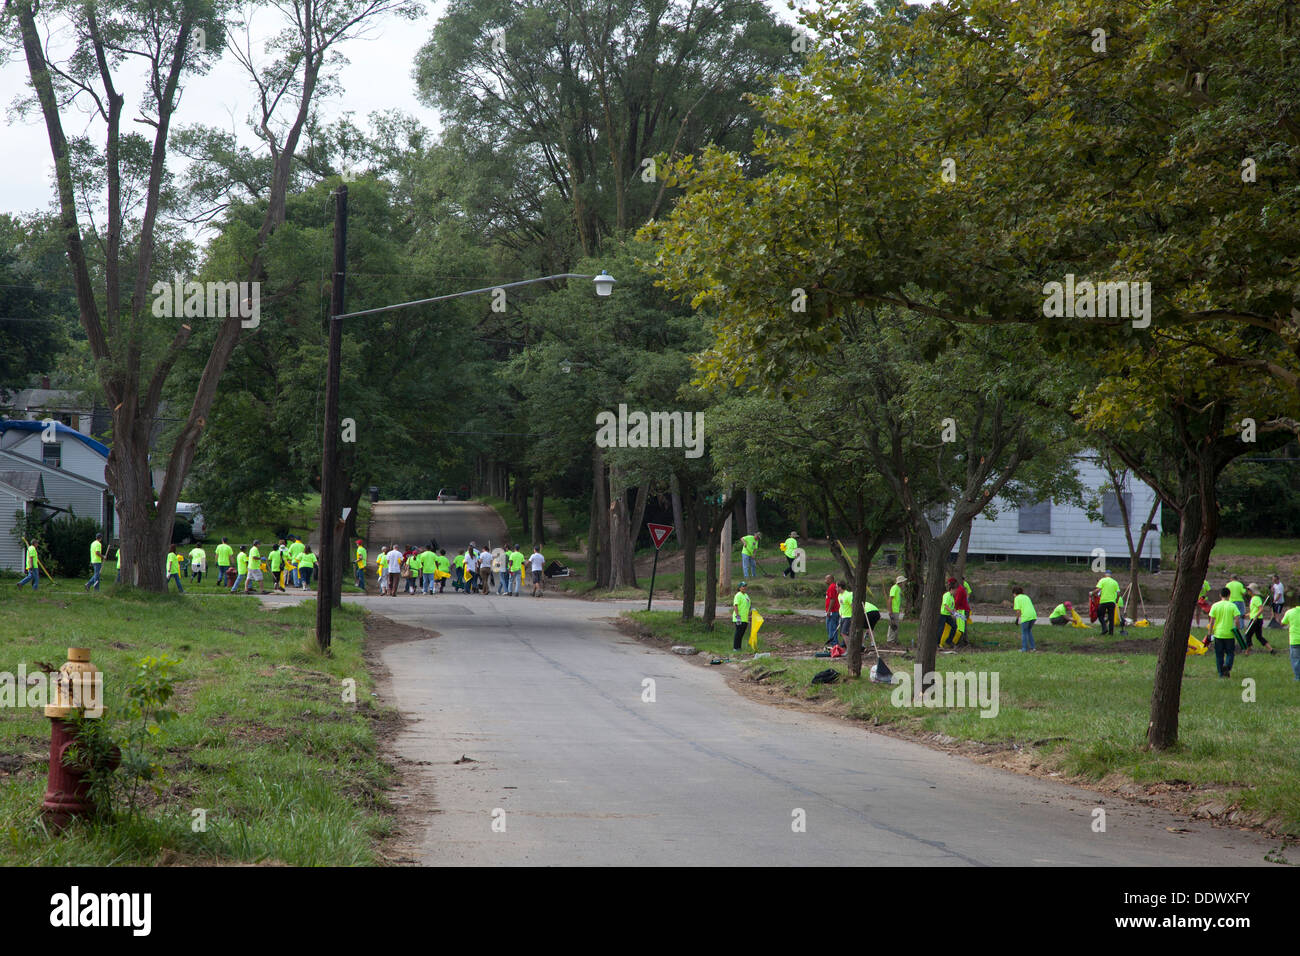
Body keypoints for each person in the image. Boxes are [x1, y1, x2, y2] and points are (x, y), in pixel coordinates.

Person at [1208, 587, 1239, 678]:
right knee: (1230, 653)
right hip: (1229, 634)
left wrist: (1210, 634)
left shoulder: (1215, 606)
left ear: (1220, 595)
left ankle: (1221, 674)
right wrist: (1236, 630)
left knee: (1219, 655)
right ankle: (1227, 666)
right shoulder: (1233, 606)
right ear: (1229, 595)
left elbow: (1211, 622)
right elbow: (1237, 620)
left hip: (1218, 634)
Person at [1242, 584, 1276, 655]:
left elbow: (1261, 609)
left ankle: (1247, 651)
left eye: (1249, 590)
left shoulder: (1256, 599)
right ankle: (1271, 650)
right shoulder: (1253, 598)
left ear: (1252, 591)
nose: (1247, 591)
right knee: (1259, 636)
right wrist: (1246, 615)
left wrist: (1255, 616)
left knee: (1248, 635)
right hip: (1257, 619)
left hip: (1256, 620)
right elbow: (1254, 611)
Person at [1094, 570, 1120, 635]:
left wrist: (1092, 593)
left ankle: (1104, 628)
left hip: (1103, 601)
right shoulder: (1115, 582)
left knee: (1100, 615)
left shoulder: (1102, 580)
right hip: (1112, 602)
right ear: (1111, 575)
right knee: (1111, 617)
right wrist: (1116, 600)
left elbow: (1098, 590)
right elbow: (1118, 593)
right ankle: (1111, 633)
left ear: (1105, 575)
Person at [1012, 586, 1037, 652]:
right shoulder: (1026, 596)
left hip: (1026, 616)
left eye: (1013, 594)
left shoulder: (1017, 598)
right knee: (1028, 631)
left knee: (1024, 632)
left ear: (1015, 593)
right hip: (1033, 615)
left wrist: (1017, 619)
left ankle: (1024, 649)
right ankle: (1033, 647)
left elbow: (1018, 611)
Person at [1281, 600, 1300, 681]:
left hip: (1294, 640)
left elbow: (1283, 623)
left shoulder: (1290, 612)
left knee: (1296, 659)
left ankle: (1297, 677)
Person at [949, 577, 970, 646]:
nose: (950, 586)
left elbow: (957, 601)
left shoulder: (960, 590)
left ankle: (962, 642)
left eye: (951, 584)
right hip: (961, 609)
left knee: (961, 626)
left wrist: (953, 609)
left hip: (963, 610)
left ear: (954, 584)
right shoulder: (959, 589)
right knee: (962, 625)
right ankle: (963, 641)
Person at [732, 581, 752, 652]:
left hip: (745, 618)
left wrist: (751, 612)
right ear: (739, 588)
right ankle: (735, 647)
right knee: (738, 633)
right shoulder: (738, 595)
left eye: (745, 586)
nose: (744, 587)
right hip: (739, 618)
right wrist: (737, 616)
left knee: (741, 633)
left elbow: (749, 605)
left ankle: (739, 648)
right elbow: (735, 605)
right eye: (743, 586)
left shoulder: (746, 595)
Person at [938, 582, 957, 648]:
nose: (955, 592)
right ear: (951, 589)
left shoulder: (952, 597)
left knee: (954, 626)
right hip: (943, 615)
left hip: (947, 615)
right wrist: (952, 612)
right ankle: (937, 644)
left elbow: (952, 606)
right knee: (941, 629)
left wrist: (955, 612)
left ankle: (948, 641)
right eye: (955, 590)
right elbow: (946, 606)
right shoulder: (946, 595)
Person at [887, 575, 905, 644]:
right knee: (893, 625)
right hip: (893, 610)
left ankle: (894, 639)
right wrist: (890, 611)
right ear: (900, 582)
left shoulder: (899, 589)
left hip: (896, 610)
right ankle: (890, 640)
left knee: (896, 625)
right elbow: (890, 599)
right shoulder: (894, 588)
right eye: (903, 582)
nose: (903, 583)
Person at [824, 575, 840, 646]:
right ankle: (834, 643)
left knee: (831, 628)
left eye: (826, 579)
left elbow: (832, 599)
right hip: (835, 611)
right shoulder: (834, 587)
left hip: (833, 611)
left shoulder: (832, 587)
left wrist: (829, 611)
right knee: (832, 628)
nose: (825, 580)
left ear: (831, 579)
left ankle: (834, 645)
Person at [837, 581, 853, 648]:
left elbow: (853, 606)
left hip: (848, 617)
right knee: (843, 633)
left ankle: (849, 649)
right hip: (842, 617)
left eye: (836, 587)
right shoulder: (839, 595)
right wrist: (840, 614)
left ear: (840, 587)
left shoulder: (848, 595)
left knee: (844, 633)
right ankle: (848, 647)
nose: (835, 588)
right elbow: (841, 606)